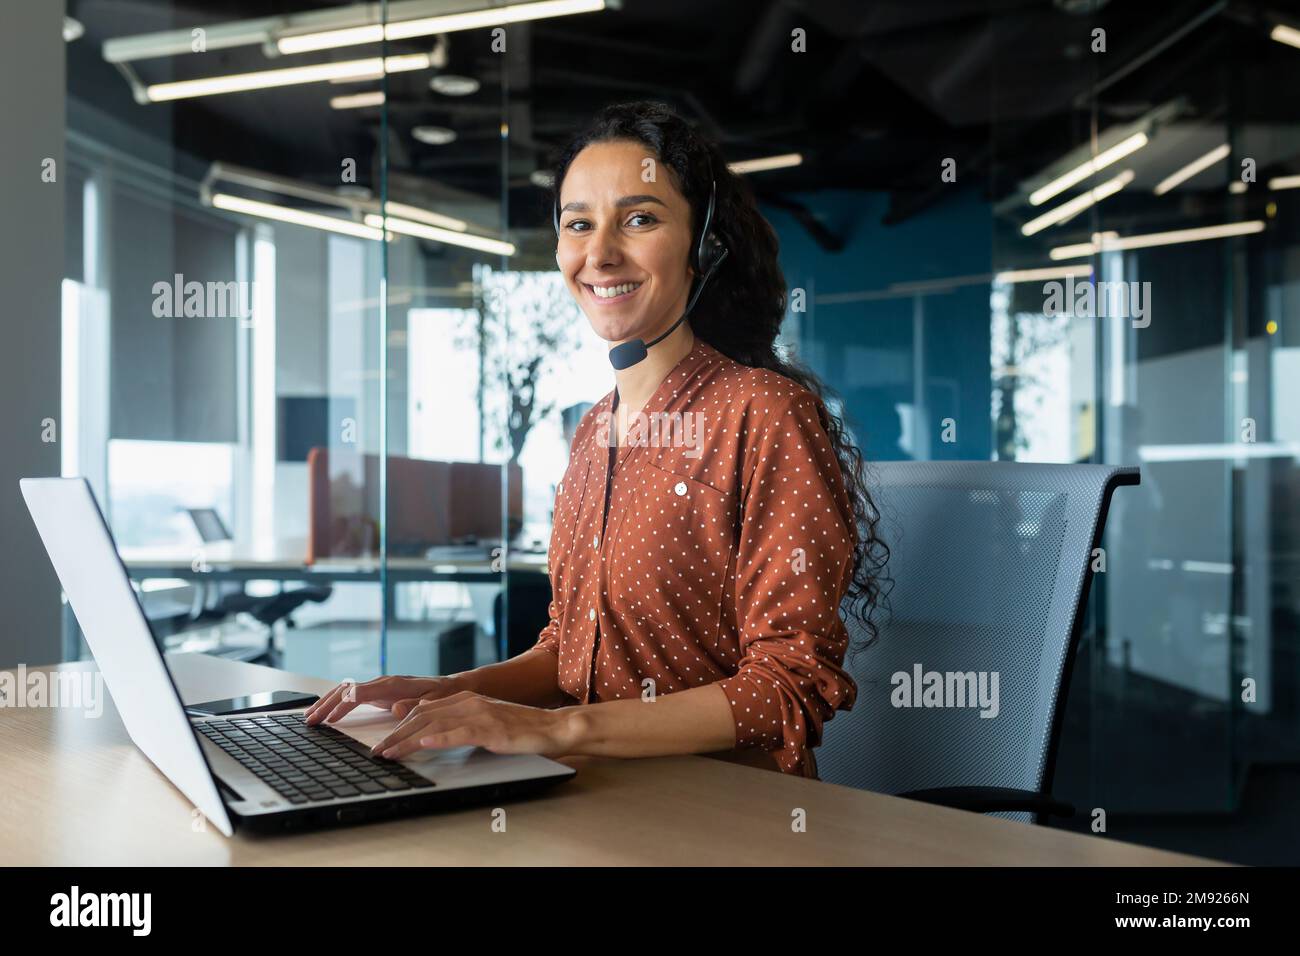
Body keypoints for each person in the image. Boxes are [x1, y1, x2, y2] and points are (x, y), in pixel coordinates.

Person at [306, 100, 888, 778]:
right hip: (592, 789)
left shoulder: (764, 414)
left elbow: (789, 687)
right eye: (578, 224)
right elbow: (569, 652)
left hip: (724, 811)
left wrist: (560, 729)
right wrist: (444, 694)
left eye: (639, 219)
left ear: (706, 246)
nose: (600, 253)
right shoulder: (592, 430)